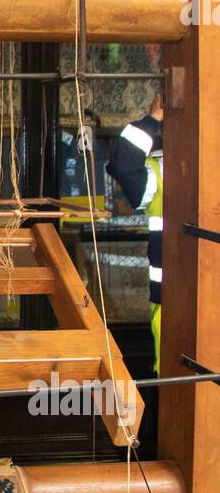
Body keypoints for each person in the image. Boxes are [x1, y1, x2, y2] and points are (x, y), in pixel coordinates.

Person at [105, 93, 163, 372]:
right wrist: (152, 121)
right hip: (174, 300)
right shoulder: (162, 171)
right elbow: (123, 164)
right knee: (175, 382)